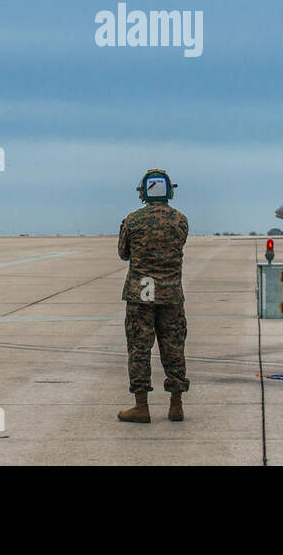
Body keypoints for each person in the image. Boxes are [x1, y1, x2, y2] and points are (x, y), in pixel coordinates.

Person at [116, 169, 189, 423]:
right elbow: (179, 246)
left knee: (139, 348)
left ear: (143, 191)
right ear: (169, 190)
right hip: (171, 294)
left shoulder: (133, 220)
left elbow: (123, 253)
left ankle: (141, 406)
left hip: (141, 294)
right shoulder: (180, 220)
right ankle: (176, 404)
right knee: (174, 348)